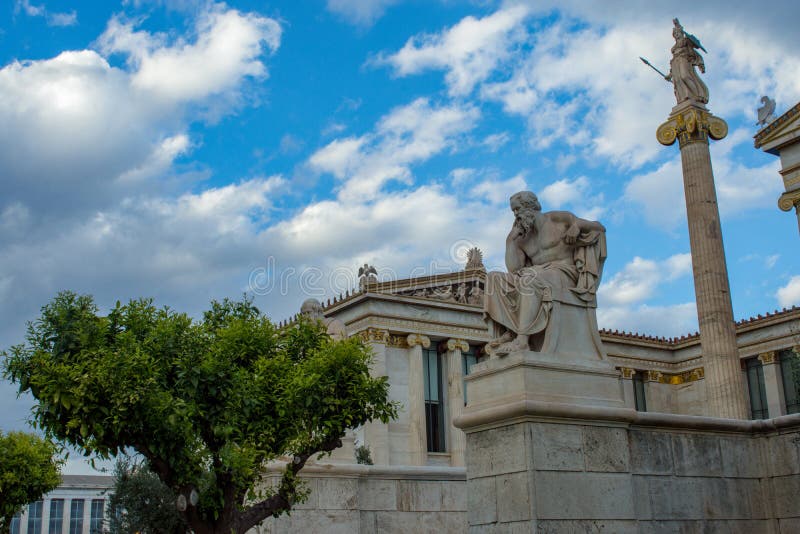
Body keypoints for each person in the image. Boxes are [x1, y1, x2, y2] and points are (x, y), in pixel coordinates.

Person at [484, 191, 606, 356]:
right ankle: (511, 330)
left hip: (565, 273)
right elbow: (514, 270)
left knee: (530, 279)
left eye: (518, 209)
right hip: (537, 274)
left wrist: (576, 226)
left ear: (530, 207)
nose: (516, 214)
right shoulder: (521, 236)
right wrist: (510, 240)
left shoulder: (557, 219)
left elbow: (599, 227)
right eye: (513, 211)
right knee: (493, 278)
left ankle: (522, 341)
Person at [664, 18, 709, 105]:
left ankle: (697, 95)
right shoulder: (674, 48)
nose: (677, 35)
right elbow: (673, 61)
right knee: (678, 81)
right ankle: (685, 97)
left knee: (685, 77)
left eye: (678, 33)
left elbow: (694, 50)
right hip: (675, 64)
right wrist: (669, 75)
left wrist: (677, 25)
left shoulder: (685, 41)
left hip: (684, 60)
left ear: (681, 33)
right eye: (675, 34)